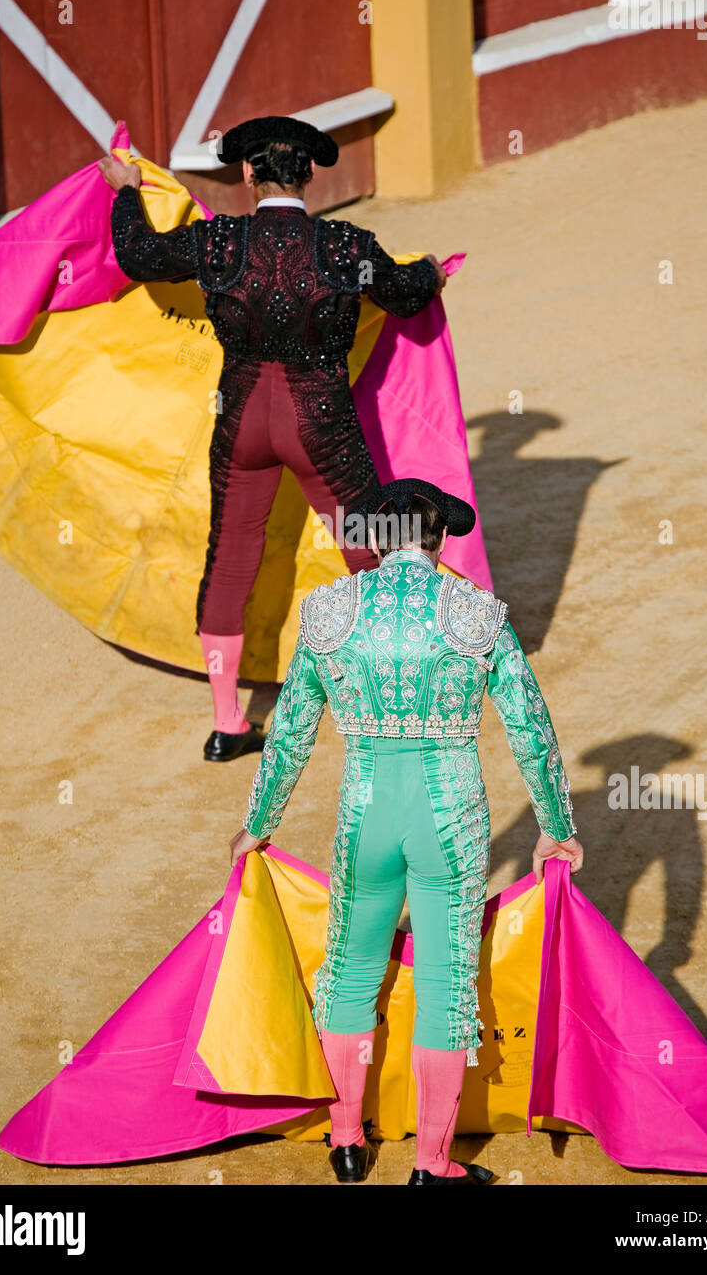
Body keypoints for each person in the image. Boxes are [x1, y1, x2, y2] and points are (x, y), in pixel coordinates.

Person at [229, 479, 584, 1185]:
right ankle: (432, 1164)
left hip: (366, 814)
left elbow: (293, 730)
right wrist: (555, 827)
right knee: (448, 984)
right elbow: (529, 728)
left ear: (372, 541)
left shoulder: (330, 611)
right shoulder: (476, 613)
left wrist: (257, 826)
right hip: (448, 818)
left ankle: (347, 1141)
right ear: (440, 539)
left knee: (350, 971)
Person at [98, 117, 447, 762]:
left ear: (248, 174)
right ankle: (396, 704)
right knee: (373, 547)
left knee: (230, 559)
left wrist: (125, 188)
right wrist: (429, 271)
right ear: (310, 176)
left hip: (241, 421)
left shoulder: (218, 240)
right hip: (321, 421)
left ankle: (227, 723)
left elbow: (138, 256)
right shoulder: (346, 244)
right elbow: (403, 296)